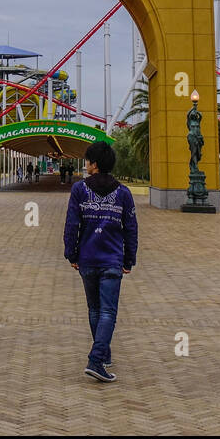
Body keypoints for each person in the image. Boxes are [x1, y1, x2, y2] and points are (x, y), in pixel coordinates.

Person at [63, 141, 138, 383]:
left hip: (87, 259)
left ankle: (101, 355)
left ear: (94, 165)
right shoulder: (124, 193)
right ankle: (98, 357)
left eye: (87, 161)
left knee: (95, 309)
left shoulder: (79, 190)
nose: (85, 165)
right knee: (107, 311)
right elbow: (131, 229)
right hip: (112, 259)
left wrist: (71, 253)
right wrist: (129, 259)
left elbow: (72, 224)